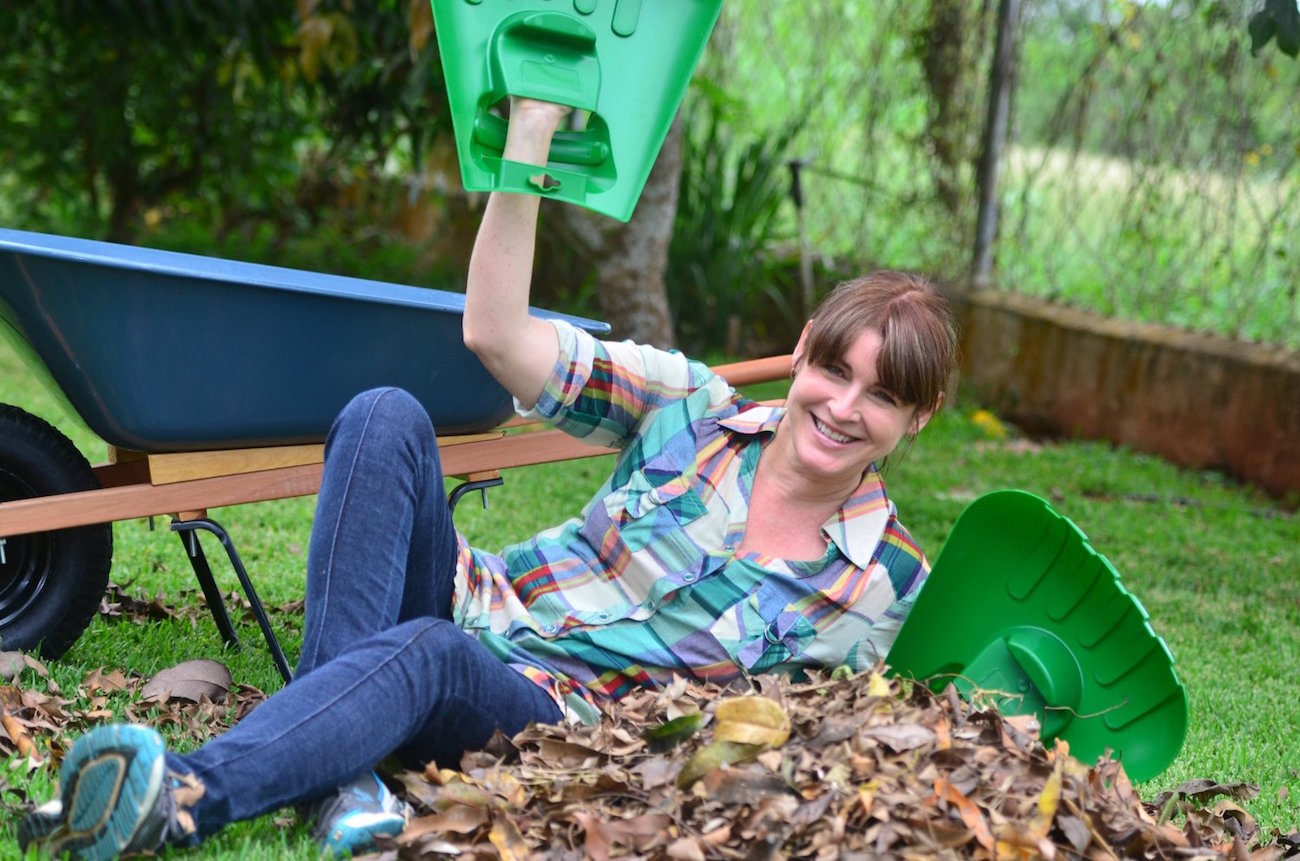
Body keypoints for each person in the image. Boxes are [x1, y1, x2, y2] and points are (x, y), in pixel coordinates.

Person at [19, 99, 959, 860]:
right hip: (486, 603)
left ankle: (188, 794)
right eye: (834, 370)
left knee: (429, 651)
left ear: (917, 419)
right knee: (385, 412)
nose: (843, 406)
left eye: (882, 397)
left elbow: (912, 737)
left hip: (554, 718)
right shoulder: (692, 407)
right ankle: (340, 771)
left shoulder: (887, 584)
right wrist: (528, 148)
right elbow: (497, 336)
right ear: (800, 356)